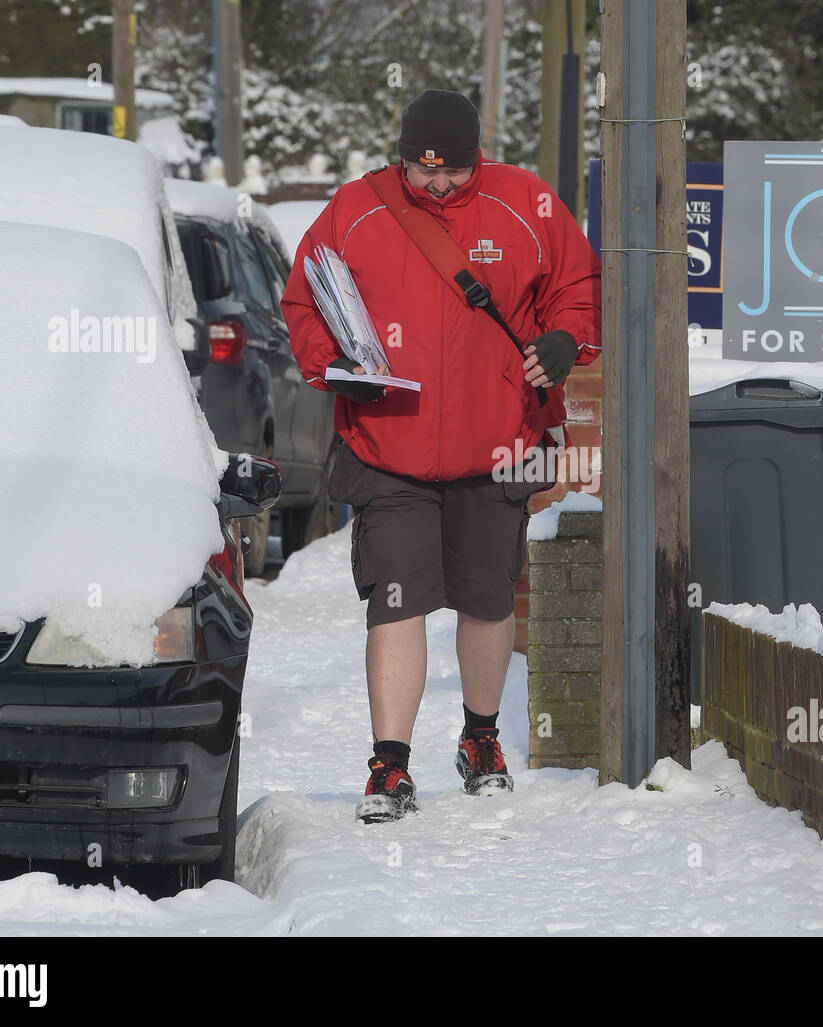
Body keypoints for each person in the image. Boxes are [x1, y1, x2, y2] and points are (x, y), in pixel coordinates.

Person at [280, 89, 602, 823]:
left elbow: (581, 290)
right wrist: (332, 362)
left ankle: (481, 738)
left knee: (488, 599)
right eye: (421, 171)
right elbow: (303, 301)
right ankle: (389, 766)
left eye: (451, 173)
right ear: (400, 156)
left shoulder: (527, 203)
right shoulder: (356, 208)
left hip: (497, 447)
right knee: (395, 600)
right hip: (388, 445)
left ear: (475, 157)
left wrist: (564, 342)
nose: (435, 186)